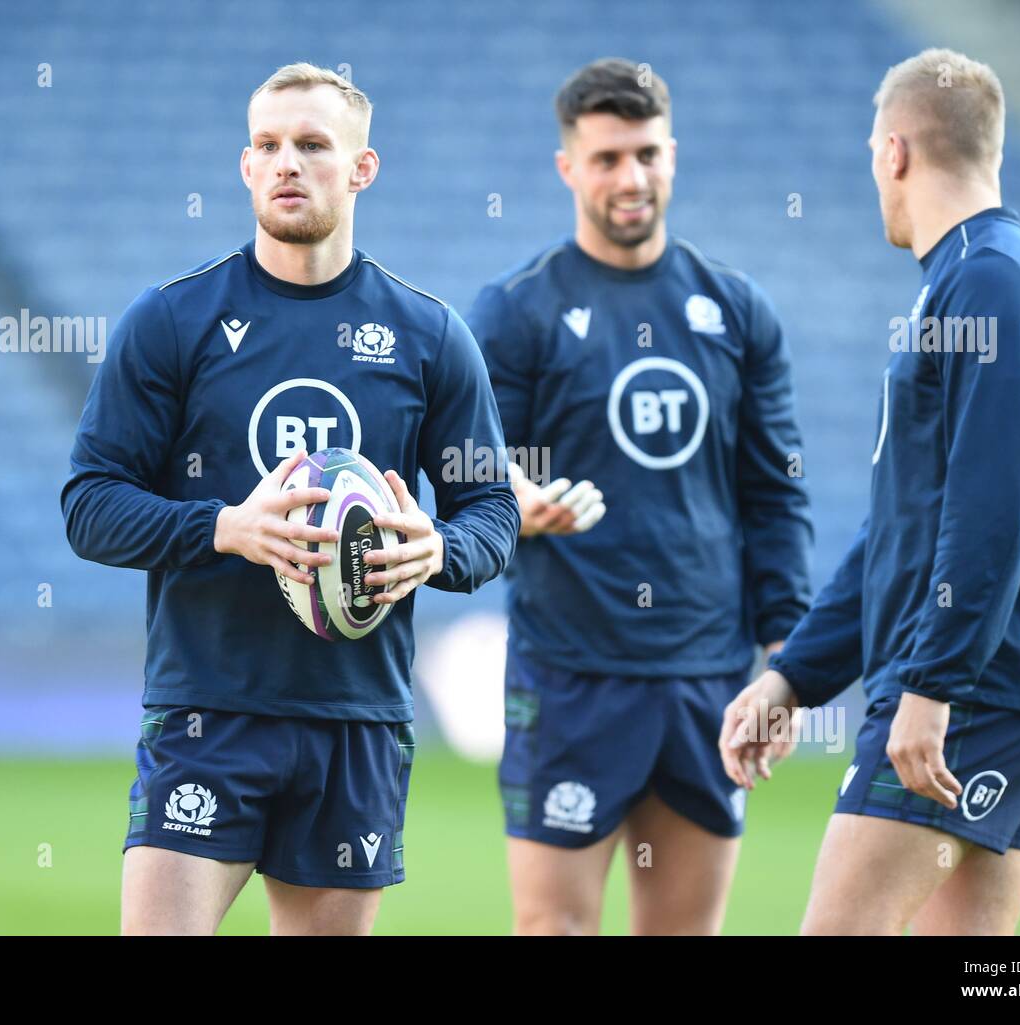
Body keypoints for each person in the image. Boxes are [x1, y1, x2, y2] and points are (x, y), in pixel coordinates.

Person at [61, 63, 519, 936]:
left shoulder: (429, 336)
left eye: (312, 145)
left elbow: (492, 509)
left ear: (362, 167)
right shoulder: (171, 320)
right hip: (208, 709)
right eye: (268, 145)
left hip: (356, 719)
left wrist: (440, 550)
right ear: (244, 167)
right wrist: (226, 527)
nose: (287, 163)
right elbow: (89, 504)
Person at [720, 48, 1020, 936]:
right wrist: (795, 679)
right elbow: (904, 531)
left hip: (969, 689)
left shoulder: (989, 281)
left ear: (893, 152)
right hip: (1006, 690)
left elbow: (990, 506)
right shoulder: (981, 276)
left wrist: (932, 683)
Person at [467, 58, 811, 935]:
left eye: (648, 154)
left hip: (709, 677)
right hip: (572, 673)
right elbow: (470, 464)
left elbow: (776, 498)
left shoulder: (735, 311)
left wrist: (786, 661)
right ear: (568, 168)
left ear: (673, 156)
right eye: (609, 157)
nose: (632, 177)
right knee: (555, 930)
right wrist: (518, 501)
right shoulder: (515, 312)